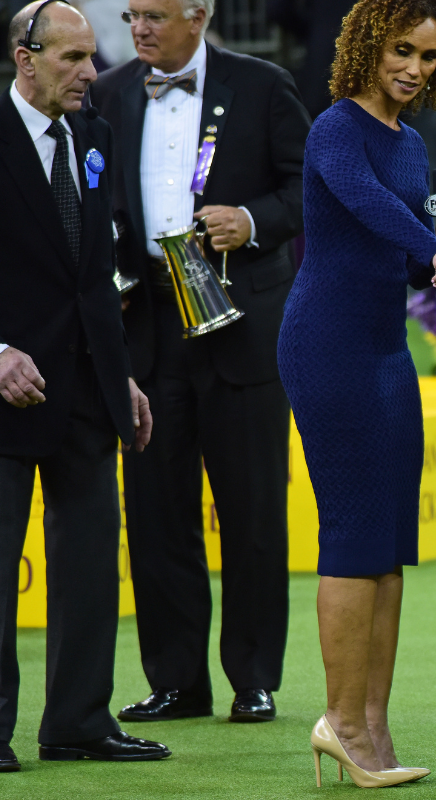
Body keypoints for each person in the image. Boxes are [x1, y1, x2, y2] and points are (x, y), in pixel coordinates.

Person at [275, 0, 436, 787]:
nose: (415, 68)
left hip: (387, 349)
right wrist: (434, 248)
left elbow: (393, 255)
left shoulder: (415, 141)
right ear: (369, 43)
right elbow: (363, 204)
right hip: (327, 344)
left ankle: (375, 730)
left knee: (392, 548)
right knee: (353, 537)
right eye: (403, 49)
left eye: (429, 57)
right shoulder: (335, 127)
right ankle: (341, 721)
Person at [89, 0, 310, 724]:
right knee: (154, 512)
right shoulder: (109, 91)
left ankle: (253, 677)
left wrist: (250, 222)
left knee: (251, 510)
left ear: (200, 14)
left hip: (240, 321)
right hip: (146, 320)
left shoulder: (265, 84)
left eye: (155, 14)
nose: (140, 27)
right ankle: (177, 680)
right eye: (132, 14)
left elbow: (307, 188)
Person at [0, 0, 166, 768]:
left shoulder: (92, 135)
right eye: (71, 58)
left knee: (93, 565)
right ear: (23, 57)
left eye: (91, 57)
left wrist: (120, 372)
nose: (90, 73)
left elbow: (96, 275)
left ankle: (77, 722)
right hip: (5, 388)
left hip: (87, 388)